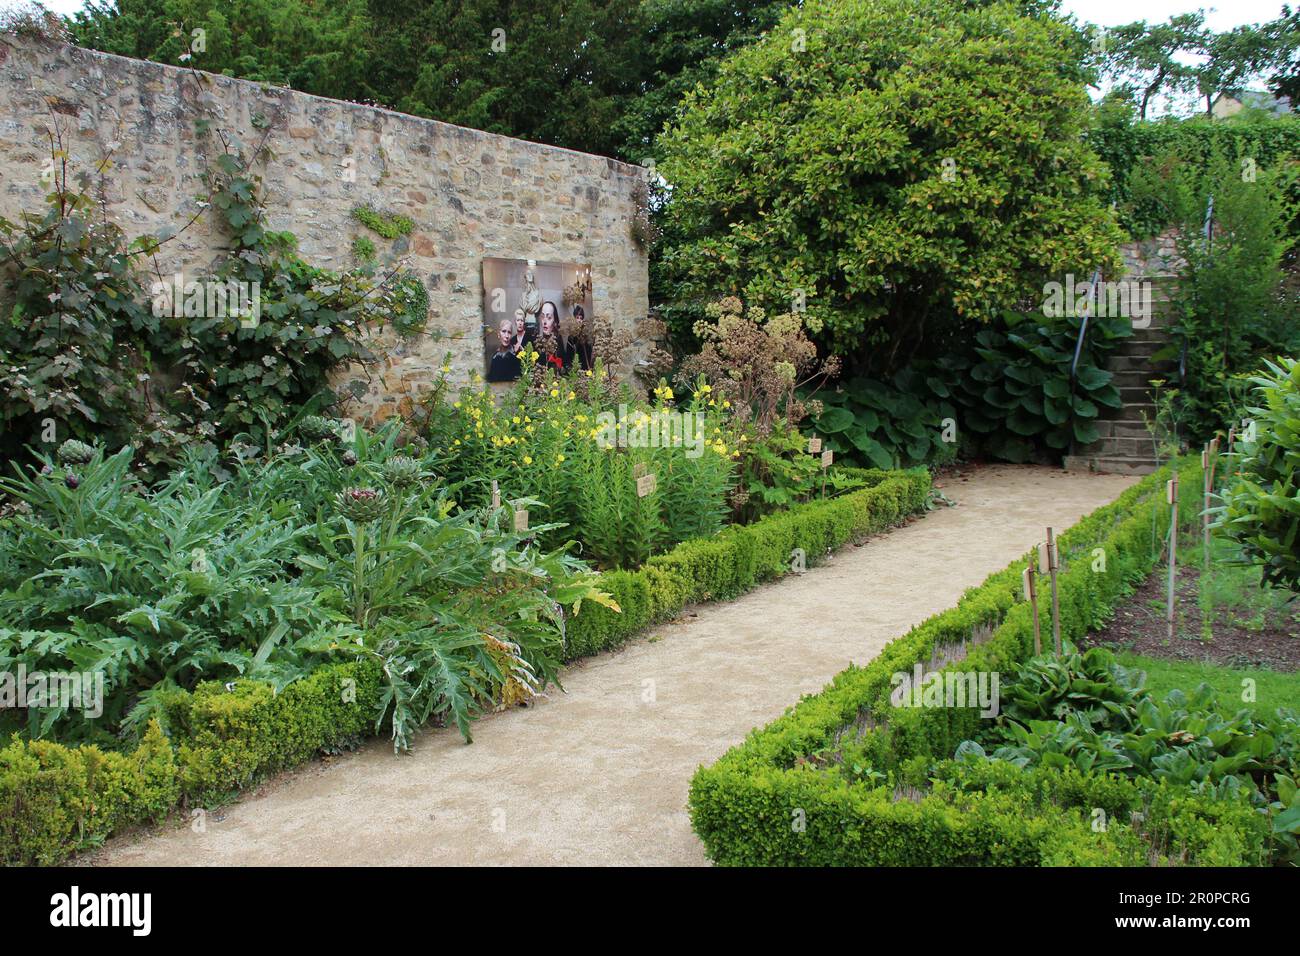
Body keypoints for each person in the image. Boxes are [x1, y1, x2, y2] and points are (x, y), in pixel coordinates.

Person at [487, 318, 522, 382]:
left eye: (509, 332)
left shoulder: (517, 355)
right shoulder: (495, 357)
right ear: (498, 335)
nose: (507, 336)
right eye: (503, 331)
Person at [537, 300, 567, 373]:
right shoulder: (537, 342)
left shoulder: (558, 344)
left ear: (555, 322)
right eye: (542, 316)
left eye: (549, 317)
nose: (544, 321)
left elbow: (564, 366)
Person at [567, 304, 594, 370]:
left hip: (584, 364)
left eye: (581, 318)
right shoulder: (571, 335)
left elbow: (588, 351)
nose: (579, 320)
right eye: (577, 317)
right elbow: (569, 353)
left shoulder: (585, 333)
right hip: (574, 365)